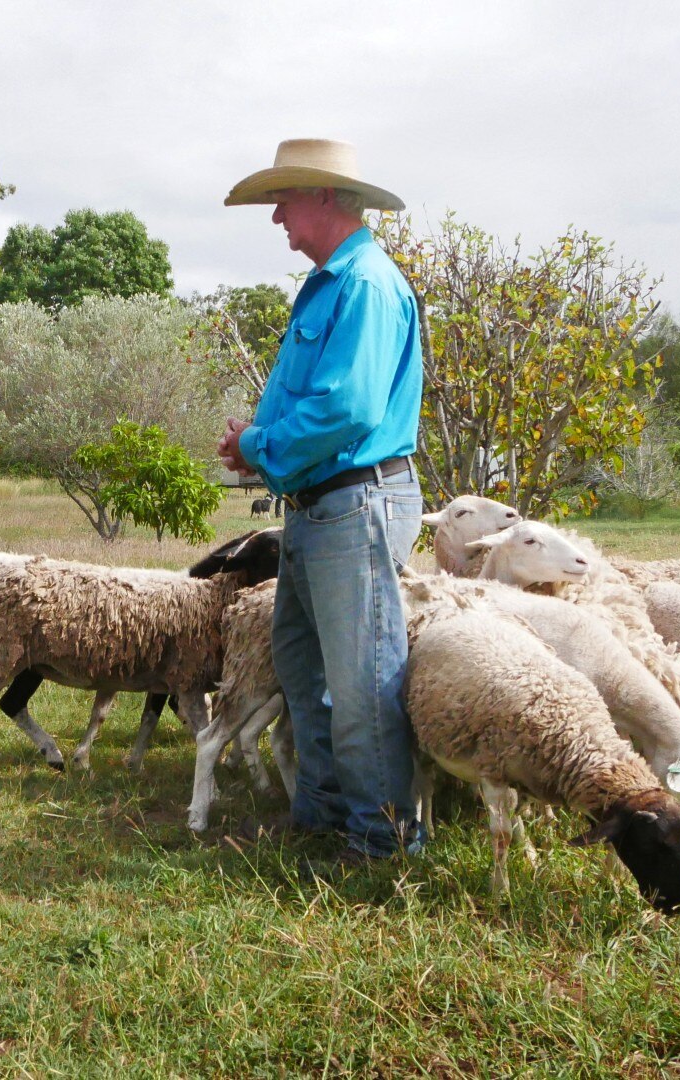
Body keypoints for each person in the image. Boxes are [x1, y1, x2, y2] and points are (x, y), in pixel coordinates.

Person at [216, 139, 425, 861]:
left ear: (326, 198)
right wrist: (262, 443)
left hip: (353, 502)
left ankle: (383, 839)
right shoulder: (334, 282)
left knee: (361, 675)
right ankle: (325, 814)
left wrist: (258, 447)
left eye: (284, 198)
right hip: (320, 504)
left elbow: (347, 409)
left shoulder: (364, 283)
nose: (275, 216)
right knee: (305, 667)